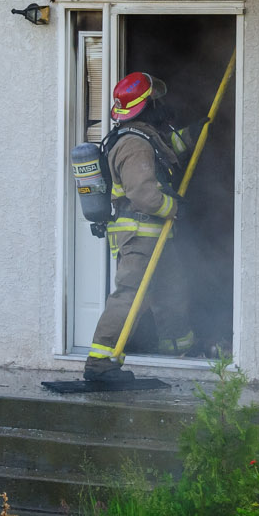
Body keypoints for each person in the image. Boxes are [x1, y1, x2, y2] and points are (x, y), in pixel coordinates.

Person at [83, 70, 189, 382]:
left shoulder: (145, 137)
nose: (162, 104)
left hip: (155, 235)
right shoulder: (134, 144)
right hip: (140, 234)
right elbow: (144, 194)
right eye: (156, 100)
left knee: (172, 289)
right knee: (130, 295)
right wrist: (173, 208)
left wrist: (200, 130)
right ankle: (99, 363)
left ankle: (177, 347)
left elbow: (171, 150)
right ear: (146, 106)